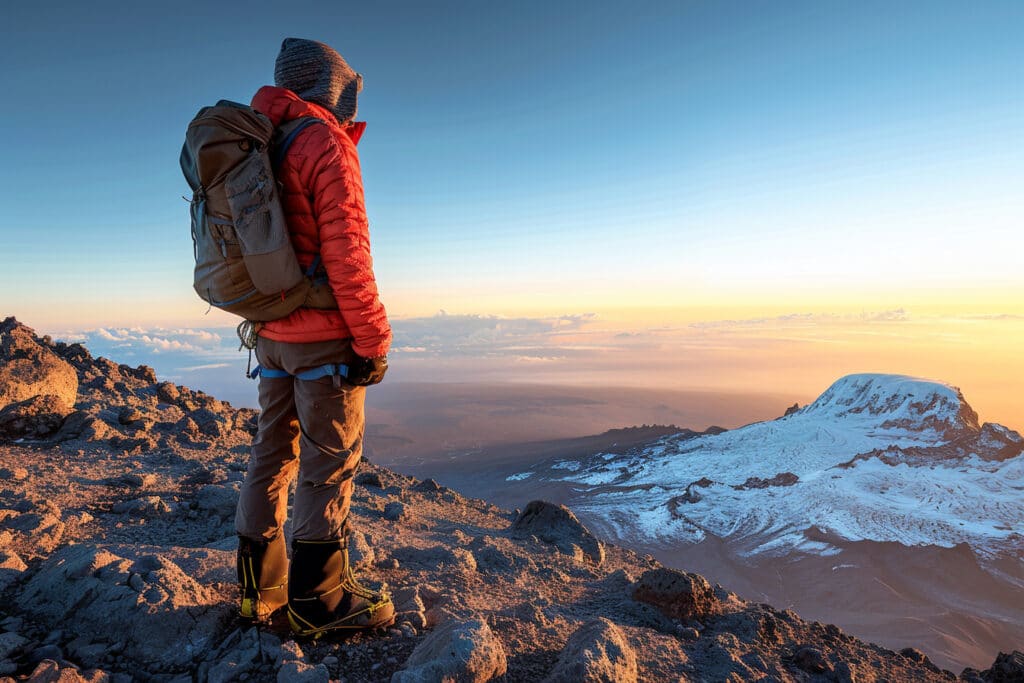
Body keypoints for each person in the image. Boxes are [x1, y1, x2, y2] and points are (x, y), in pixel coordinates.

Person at [234, 37, 395, 635]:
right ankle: (318, 603)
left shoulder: (259, 142)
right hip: (323, 339)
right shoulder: (324, 143)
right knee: (329, 461)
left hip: (270, 333)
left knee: (271, 453)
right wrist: (373, 342)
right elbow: (348, 254)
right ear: (333, 88)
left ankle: (259, 592)